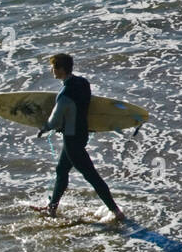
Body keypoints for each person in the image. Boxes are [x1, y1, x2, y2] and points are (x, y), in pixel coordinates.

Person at [36, 53, 127, 223]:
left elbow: (54, 121)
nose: (52, 70)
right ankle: (52, 208)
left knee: (91, 175)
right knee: (61, 171)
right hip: (83, 134)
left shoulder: (64, 94)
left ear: (61, 69)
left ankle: (116, 211)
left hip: (72, 140)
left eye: (54, 67)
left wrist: (43, 128)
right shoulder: (83, 83)